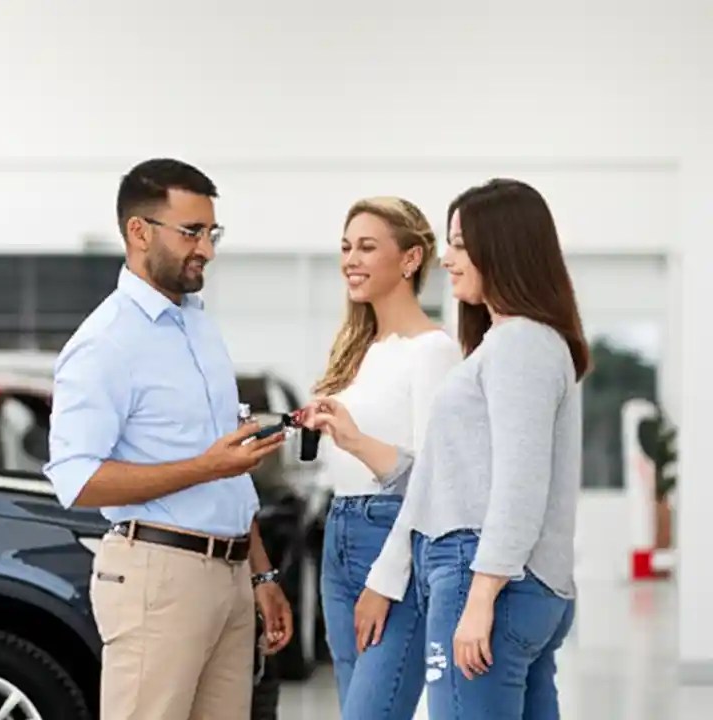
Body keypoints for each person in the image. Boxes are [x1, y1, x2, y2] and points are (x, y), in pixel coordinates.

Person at [299, 178, 589, 719]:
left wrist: (480, 597)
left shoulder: (519, 344)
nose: (448, 259)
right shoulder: (516, 343)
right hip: (505, 579)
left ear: (501, 248)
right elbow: (451, 474)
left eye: (459, 244)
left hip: (485, 576)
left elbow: (520, 485)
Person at [44, 157, 294, 720]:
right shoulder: (105, 342)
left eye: (212, 233)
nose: (206, 249)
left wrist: (261, 573)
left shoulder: (199, 327)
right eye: (191, 232)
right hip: (157, 577)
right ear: (139, 231)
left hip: (230, 576)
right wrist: (206, 466)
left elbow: (230, 472)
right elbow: (77, 479)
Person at [311, 197, 461, 718]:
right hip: (339, 534)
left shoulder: (434, 351)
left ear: (411, 259)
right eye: (346, 247)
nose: (350, 260)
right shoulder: (359, 351)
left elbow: (433, 482)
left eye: (367, 247)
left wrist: (385, 579)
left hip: (394, 542)